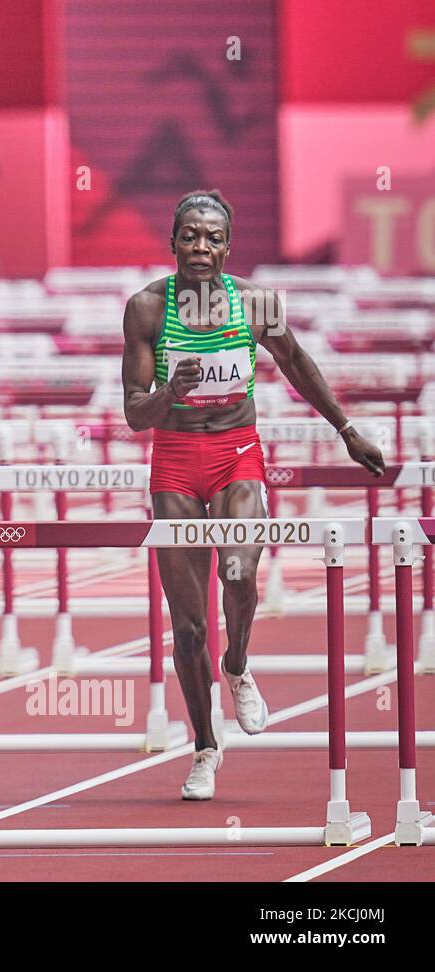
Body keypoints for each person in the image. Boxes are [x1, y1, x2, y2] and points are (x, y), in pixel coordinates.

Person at [121, 189, 386, 801]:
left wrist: (346, 430)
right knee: (187, 628)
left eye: (213, 237)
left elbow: (295, 363)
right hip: (175, 464)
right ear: (172, 243)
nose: (201, 247)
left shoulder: (256, 305)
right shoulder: (145, 309)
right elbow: (136, 413)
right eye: (190, 235)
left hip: (238, 455)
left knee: (237, 572)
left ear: (229, 247)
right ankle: (205, 748)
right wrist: (171, 393)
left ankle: (237, 663)